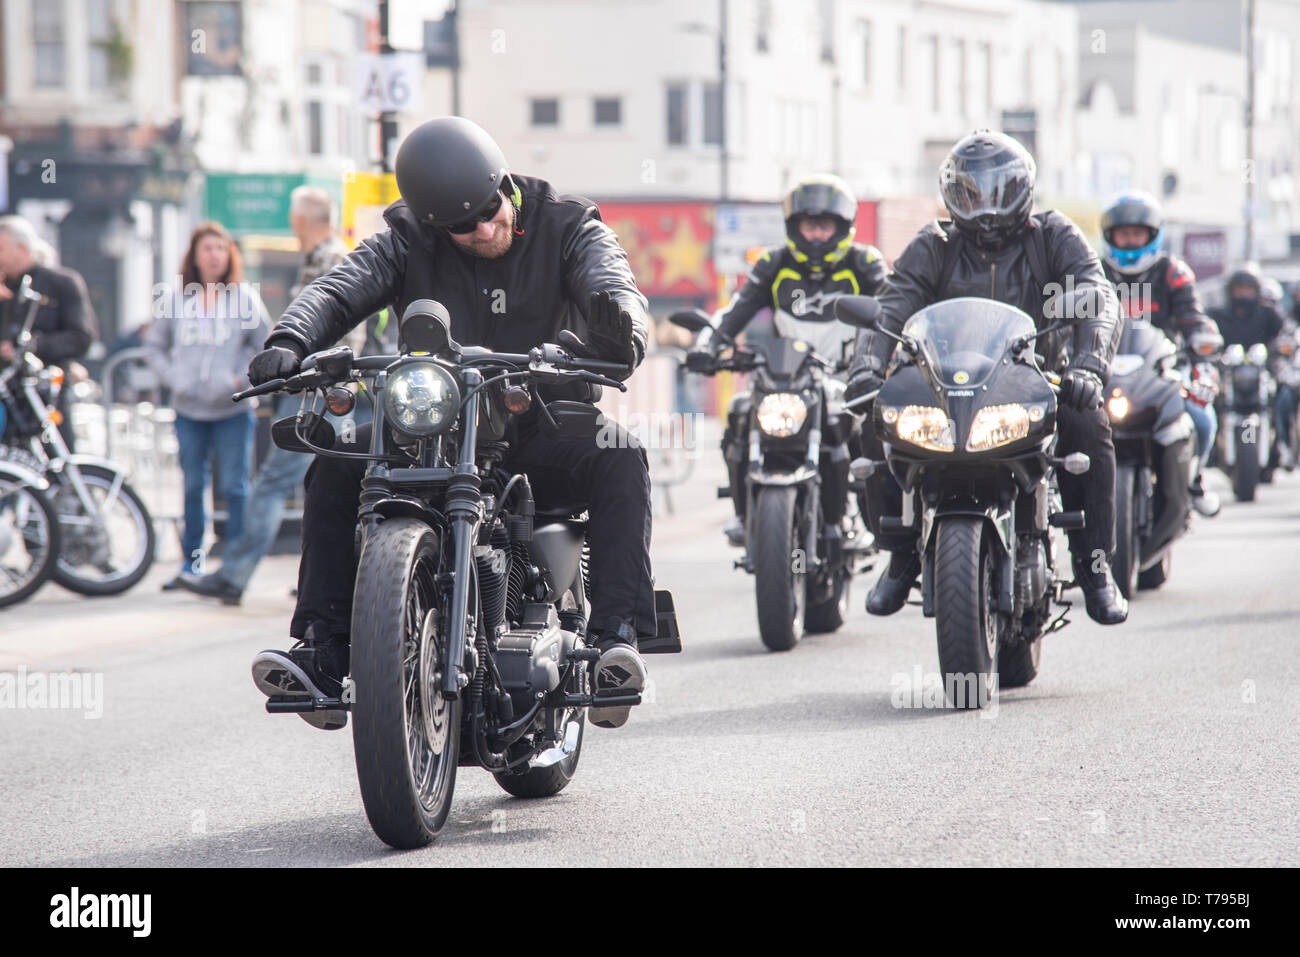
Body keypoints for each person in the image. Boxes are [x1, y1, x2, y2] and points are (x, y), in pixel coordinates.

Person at [245, 117, 654, 731]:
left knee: (620, 454)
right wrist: (291, 336)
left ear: (502, 185)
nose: (485, 228)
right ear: (436, 223)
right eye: (464, 226)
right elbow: (343, 285)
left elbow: (613, 283)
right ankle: (323, 650)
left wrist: (619, 327)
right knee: (334, 468)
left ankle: (614, 641)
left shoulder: (568, 224)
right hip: (430, 422)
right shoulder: (408, 235)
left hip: (542, 415)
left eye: (491, 210)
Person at [845, 129, 1128, 625]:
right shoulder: (933, 244)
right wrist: (867, 365)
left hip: (1035, 379)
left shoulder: (1054, 235)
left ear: (1022, 188)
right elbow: (892, 305)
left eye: (997, 190)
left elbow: (1097, 296)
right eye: (973, 191)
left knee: (1089, 424)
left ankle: (1095, 566)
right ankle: (900, 548)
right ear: (953, 195)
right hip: (945, 383)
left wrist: (1089, 364)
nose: (987, 205)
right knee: (874, 418)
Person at [177, 187, 372, 605]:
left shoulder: (331, 257)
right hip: (322, 388)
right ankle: (320, 579)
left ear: (301, 220)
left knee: (273, 484)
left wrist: (311, 378)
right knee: (316, 485)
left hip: (319, 391)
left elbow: (346, 330)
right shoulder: (324, 256)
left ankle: (233, 575)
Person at [688, 174, 889, 545]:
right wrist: (709, 346)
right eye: (808, 226)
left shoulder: (864, 262)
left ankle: (880, 521)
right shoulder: (773, 264)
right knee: (738, 410)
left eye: (823, 226)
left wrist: (882, 358)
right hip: (787, 380)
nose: (815, 235)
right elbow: (736, 311)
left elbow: (892, 309)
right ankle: (743, 513)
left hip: (850, 379)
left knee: (874, 431)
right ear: (793, 227)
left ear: (842, 227)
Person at [146, 222, 270, 588]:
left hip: (233, 410)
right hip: (188, 411)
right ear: (195, 255)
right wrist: (175, 378)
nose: (214, 254)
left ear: (229, 254)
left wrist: (238, 380)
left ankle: (233, 568)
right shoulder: (176, 297)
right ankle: (192, 565)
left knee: (234, 487)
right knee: (191, 486)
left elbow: (265, 347)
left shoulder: (245, 297)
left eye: (220, 247)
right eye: (207, 248)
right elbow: (154, 346)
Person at [1099, 191, 1224, 517]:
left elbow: (1193, 318)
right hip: (1103, 369)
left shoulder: (1172, 273)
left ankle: (1193, 479)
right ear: (1111, 237)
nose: (1129, 241)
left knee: (1199, 417)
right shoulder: (1095, 273)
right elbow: (1073, 319)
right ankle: (1063, 486)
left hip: (1162, 369)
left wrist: (1201, 339)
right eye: (1123, 234)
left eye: (1136, 234)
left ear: (1152, 236)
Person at [0, 215, 98, 452]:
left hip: (45, 393)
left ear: (21, 248)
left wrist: (29, 347)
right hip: (7, 395)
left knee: (56, 462)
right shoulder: (5, 291)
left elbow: (81, 337)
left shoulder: (61, 283)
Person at [1209, 264, 1296, 469]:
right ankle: (1213, 447)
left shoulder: (1267, 314)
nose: (1243, 294)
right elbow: (1206, 333)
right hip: (1228, 373)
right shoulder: (1218, 315)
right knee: (1208, 397)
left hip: (1263, 372)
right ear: (1231, 291)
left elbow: (1287, 332)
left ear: (1256, 291)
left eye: (1248, 289)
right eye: (1239, 289)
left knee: (1285, 395)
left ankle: (1282, 445)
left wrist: (1284, 346)